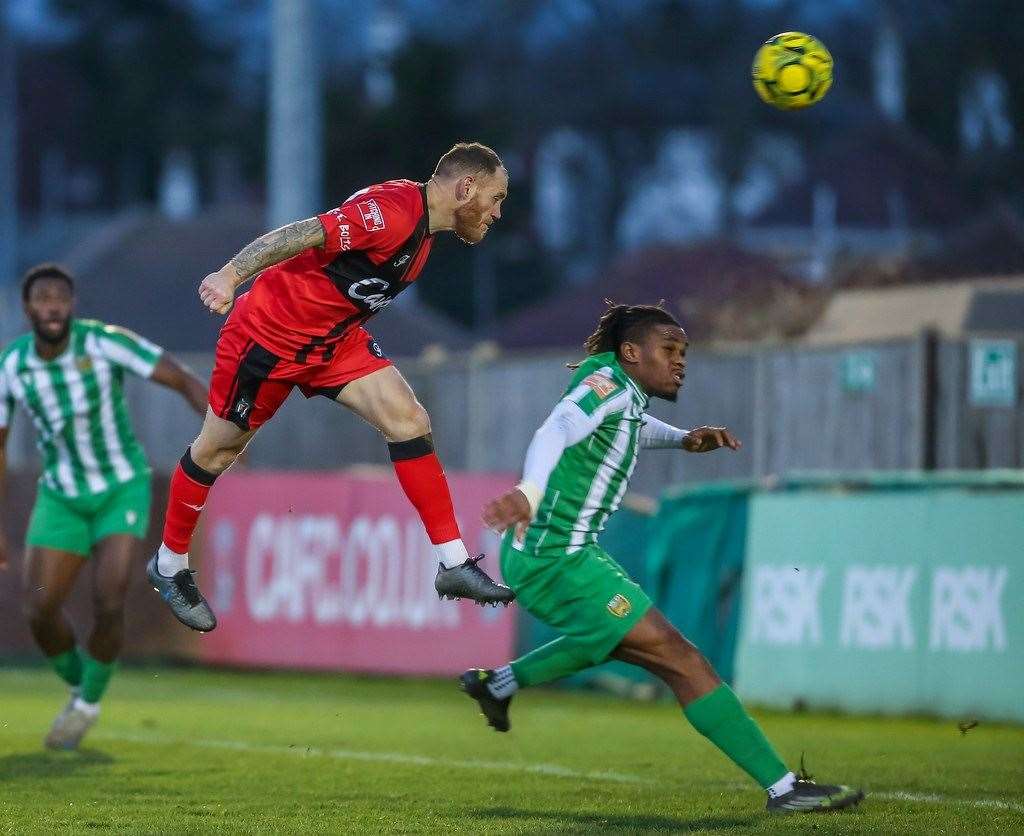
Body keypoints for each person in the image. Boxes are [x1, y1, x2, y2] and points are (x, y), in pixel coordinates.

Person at [462, 303, 863, 813]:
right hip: (556, 559)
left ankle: (497, 683)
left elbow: (629, 425)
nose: (680, 361)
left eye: (684, 352)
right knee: (682, 659)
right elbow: (556, 430)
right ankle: (784, 790)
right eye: (669, 349)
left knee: (607, 640)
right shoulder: (605, 386)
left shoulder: (620, 391)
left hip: (558, 554)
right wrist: (530, 490)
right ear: (632, 352)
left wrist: (682, 439)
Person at [147, 141, 514, 632]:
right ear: (466, 187)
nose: (496, 212)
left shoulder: (422, 236)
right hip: (268, 339)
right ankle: (170, 566)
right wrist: (231, 274)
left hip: (333, 344)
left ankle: (453, 563)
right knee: (215, 452)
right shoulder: (393, 215)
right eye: (495, 198)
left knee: (409, 420)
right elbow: (303, 233)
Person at [0, 263, 207, 749]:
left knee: (110, 598)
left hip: (121, 486)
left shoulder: (102, 342)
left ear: (71, 306)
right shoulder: (12, 366)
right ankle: (79, 686)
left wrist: (221, 431)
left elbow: (179, 378)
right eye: (43, 298)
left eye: (61, 297)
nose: (52, 306)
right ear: (28, 308)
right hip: (62, 495)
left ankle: (88, 704)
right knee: (39, 608)